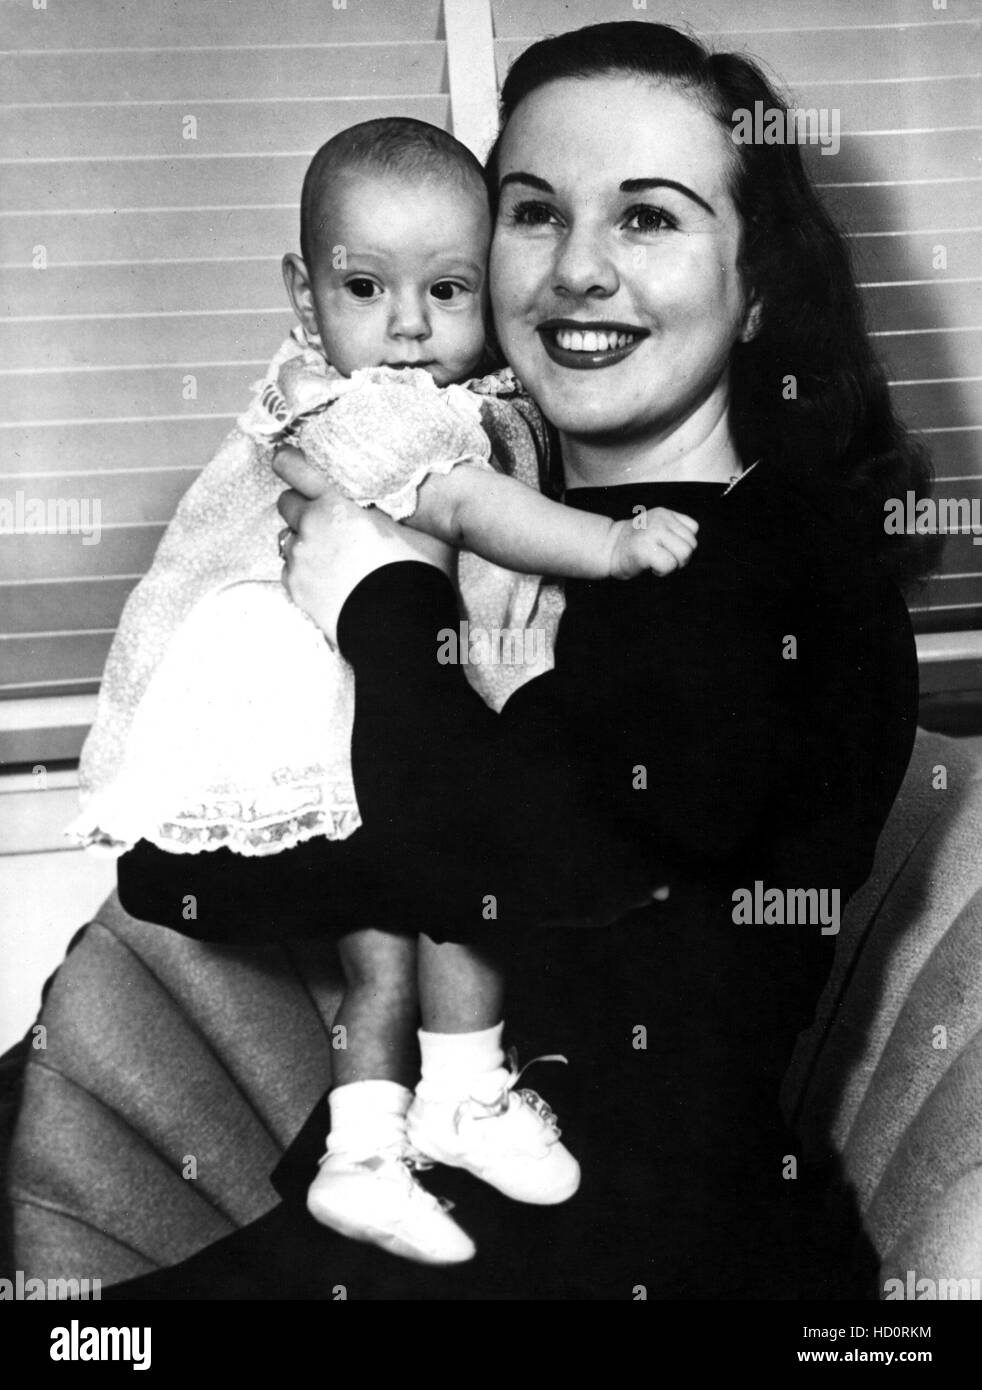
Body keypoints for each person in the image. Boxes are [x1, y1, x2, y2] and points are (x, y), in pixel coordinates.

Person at [116, 22, 937, 1298]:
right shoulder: (481, 503)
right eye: (535, 213)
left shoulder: (788, 568)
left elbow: (515, 863)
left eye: (649, 219)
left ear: (761, 283)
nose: (578, 271)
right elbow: (187, 884)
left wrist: (380, 599)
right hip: (413, 1217)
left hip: (622, 1254)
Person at [77, 116, 695, 1268]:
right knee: (435, 894)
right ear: (306, 297)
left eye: (448, 289)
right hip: (306, 696)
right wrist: (607, 546)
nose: (409, 326)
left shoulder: (384, 386)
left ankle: (367, 1147)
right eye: (367, 287)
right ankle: (457, 1091)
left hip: (362, 705)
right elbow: (464, 506)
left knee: (390, 933)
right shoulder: (361, 407)